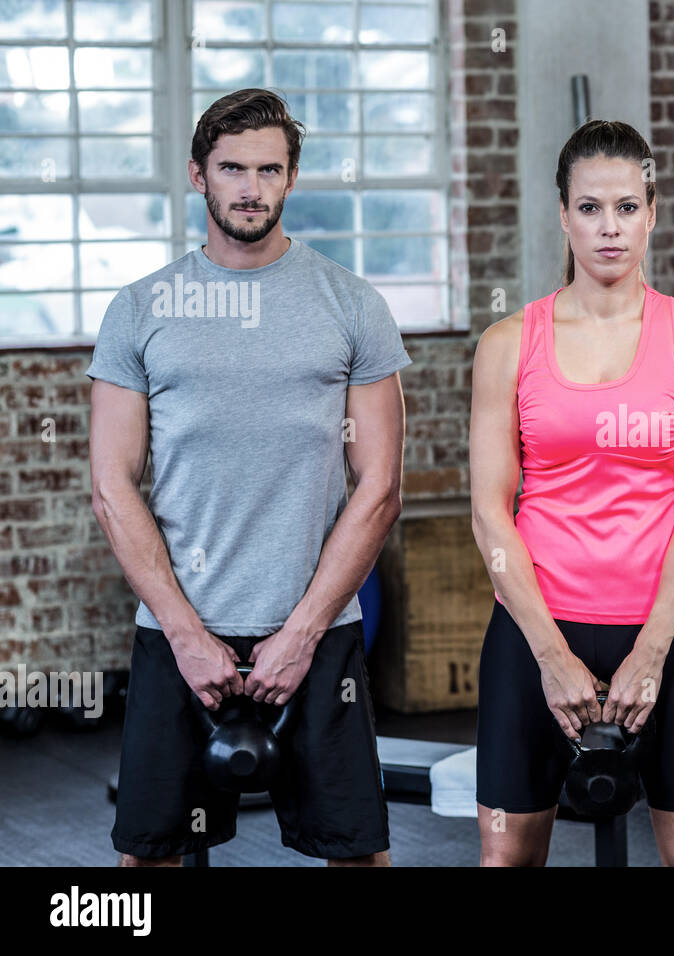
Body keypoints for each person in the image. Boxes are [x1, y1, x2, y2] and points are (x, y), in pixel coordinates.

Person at [88, 88, 408, 867]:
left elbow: (380, 487)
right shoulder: (139, 310)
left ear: (292, 178)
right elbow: (111, 486)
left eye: (269, 169)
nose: (250, 188)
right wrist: (188, 634)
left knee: (357, 854)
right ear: (198, 175)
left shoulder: (351, 304)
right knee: (150, 857)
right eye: (232, 167)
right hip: (178, 634)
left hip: (317, 634)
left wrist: (301, 633)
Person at [468, 120, 674, 866]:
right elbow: (491, 509)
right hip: (535, 630)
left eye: (626, 207)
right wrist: (551, 655)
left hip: (672, 631)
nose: (609, 228)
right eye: (590, 208)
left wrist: (653, 649)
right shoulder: (507, 344)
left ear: (652, 213)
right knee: (506, 856)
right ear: (562, 214)